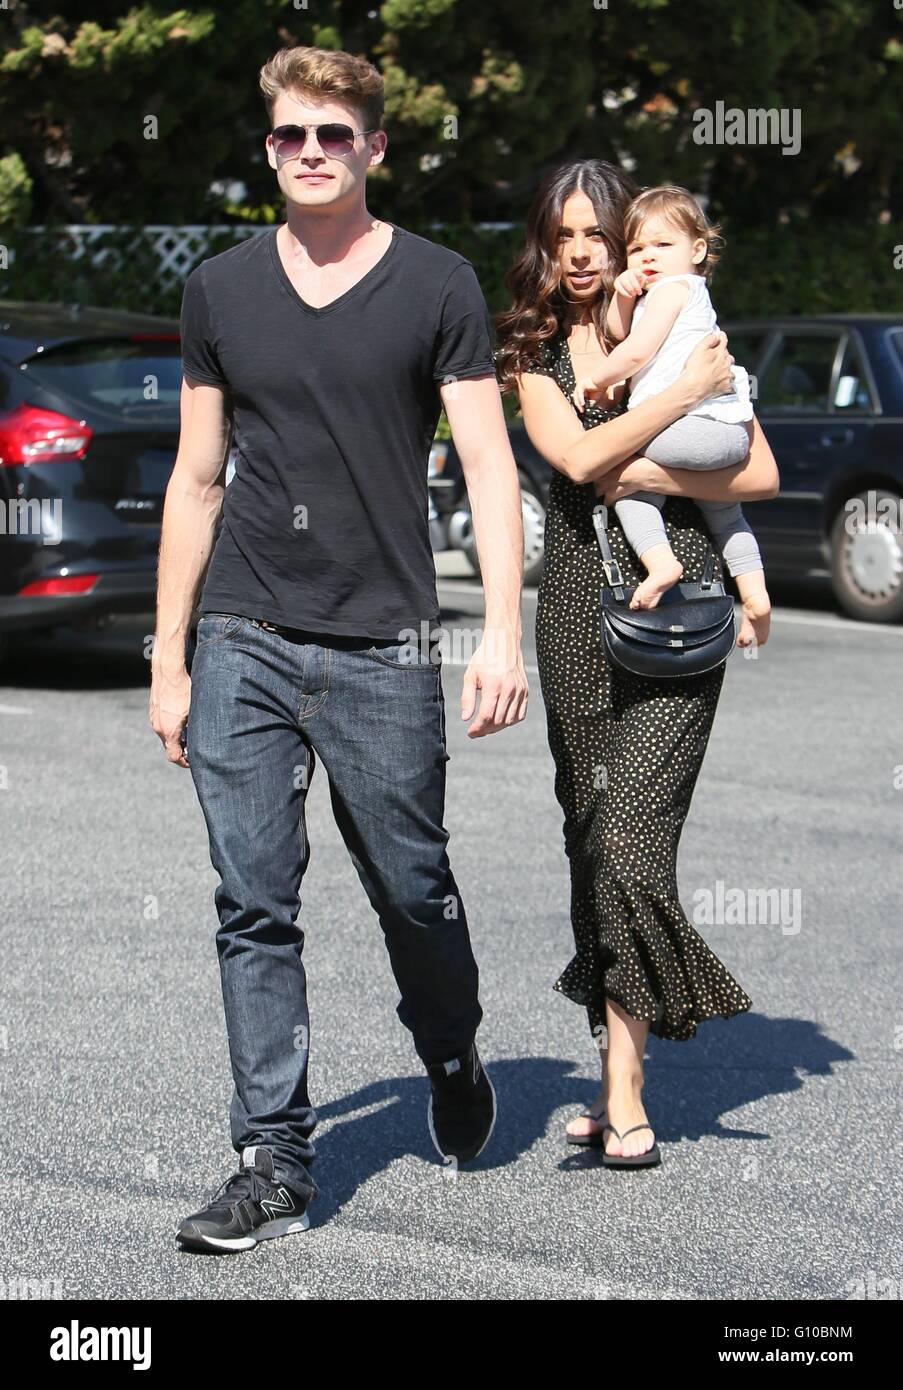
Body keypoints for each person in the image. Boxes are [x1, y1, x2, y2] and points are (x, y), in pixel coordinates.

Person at [149, 44, 528, 1253]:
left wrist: (501, 632)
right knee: (253, 902)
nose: (308, 154)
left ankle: (452, 1048)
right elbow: (197, 482)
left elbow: (487, 461)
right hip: (244, 633)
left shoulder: (436, 284)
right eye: (287, 137)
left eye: (332, 135)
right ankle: (272, 1158)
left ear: (373, 146)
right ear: (268, 148)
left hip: (383, 642)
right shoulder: (219, 288)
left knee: (413, 889)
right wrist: (169, 655)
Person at [495, 159, 779, 1168]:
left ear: (630, 245)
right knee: (589, 832)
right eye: (561, 235)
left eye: (598, 236)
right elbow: (574, 461)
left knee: (629, 837)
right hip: (576, 605)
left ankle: (627, 1081)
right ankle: (616, 1063)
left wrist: (690, 398)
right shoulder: (529, 351)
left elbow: (762, 468)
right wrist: (683, 405)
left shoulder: (678, 329)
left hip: (681, 599)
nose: (579, 253)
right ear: (544, 243)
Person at [570, 184, 771, 639]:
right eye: (637, 248)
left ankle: (660, 562)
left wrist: (599, 378)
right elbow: (621, 328)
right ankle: (756, 595)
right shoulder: (661, 294)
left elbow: (635, 350)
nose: (648, 257)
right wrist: (623, 296)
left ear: (698, 250)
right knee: (726, 515)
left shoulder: (676, 289)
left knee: (624, 475)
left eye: (663, 245)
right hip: (723, 430)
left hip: (692, 427)